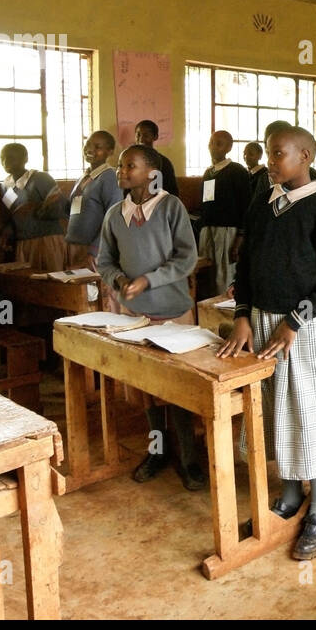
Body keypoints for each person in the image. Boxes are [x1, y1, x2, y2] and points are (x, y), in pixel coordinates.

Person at [218, 126, 316, 561]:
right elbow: (247, 267)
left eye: (279, 154)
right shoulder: (264, 203)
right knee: (278, 412)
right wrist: (241, 316)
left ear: (306, 155)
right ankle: (291, 495)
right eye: (270, 154)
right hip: (261, 324)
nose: (271, 162)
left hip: (305, 326)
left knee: (311, 411)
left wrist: (295, 319)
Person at [96, 145, 204, 490]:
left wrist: (149, 279)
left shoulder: (171, 207)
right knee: (147, 392)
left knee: (178, 391)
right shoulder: (115, 213)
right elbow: (105, 261)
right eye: (120, 166)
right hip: (135, 317)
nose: (121, 171)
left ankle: (188, 458)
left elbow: (187, 258)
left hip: (172, 314)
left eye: (131, 166)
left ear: (152, 173)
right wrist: (120, 280)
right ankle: (157, 452)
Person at [0, 143, 66, 272]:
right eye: (2, 157)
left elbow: (60, 209)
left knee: (51, 282)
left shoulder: (40, 179)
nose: (6, 161)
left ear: (25, 159)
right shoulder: (5, 186)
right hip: (23, 242)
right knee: (30, 284)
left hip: (47, 240)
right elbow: (14, 215)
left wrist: (35, 208)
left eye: (11, 157)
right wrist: (8, 230)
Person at [197, 130, 249, 296]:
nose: (213, 147)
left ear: (229, 147)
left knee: (224, 276)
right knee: (207, 274)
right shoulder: (208, 173)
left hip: (228, 231)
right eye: (211, 143)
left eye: (219, 144)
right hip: (208, 230)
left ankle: (223, 315)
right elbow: (206, 203)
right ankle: (207, 313)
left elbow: (246, 206)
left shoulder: (237, 171)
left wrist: (239, 239)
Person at [65, 131, 123, 270]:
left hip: (94, 249)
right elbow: (73, 210)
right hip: (74, 245)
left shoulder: (109, 177)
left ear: (110, 152)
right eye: (88, 145)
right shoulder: (84, 177)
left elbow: (113, 218)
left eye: (97, 147)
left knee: (93, 290)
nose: (90, 149)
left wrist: (95, 250)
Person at [249, 120, 316, 206]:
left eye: (278, 152)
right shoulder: (264, 179)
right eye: (268, 152)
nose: (269, 161)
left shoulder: (314, 177)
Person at [133, 120, 178, 197]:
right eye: (138, 135)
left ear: (155, 137)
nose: (141, 139)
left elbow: (172, 192)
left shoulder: (164, 162)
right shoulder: (130, 162)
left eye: (146, 135)